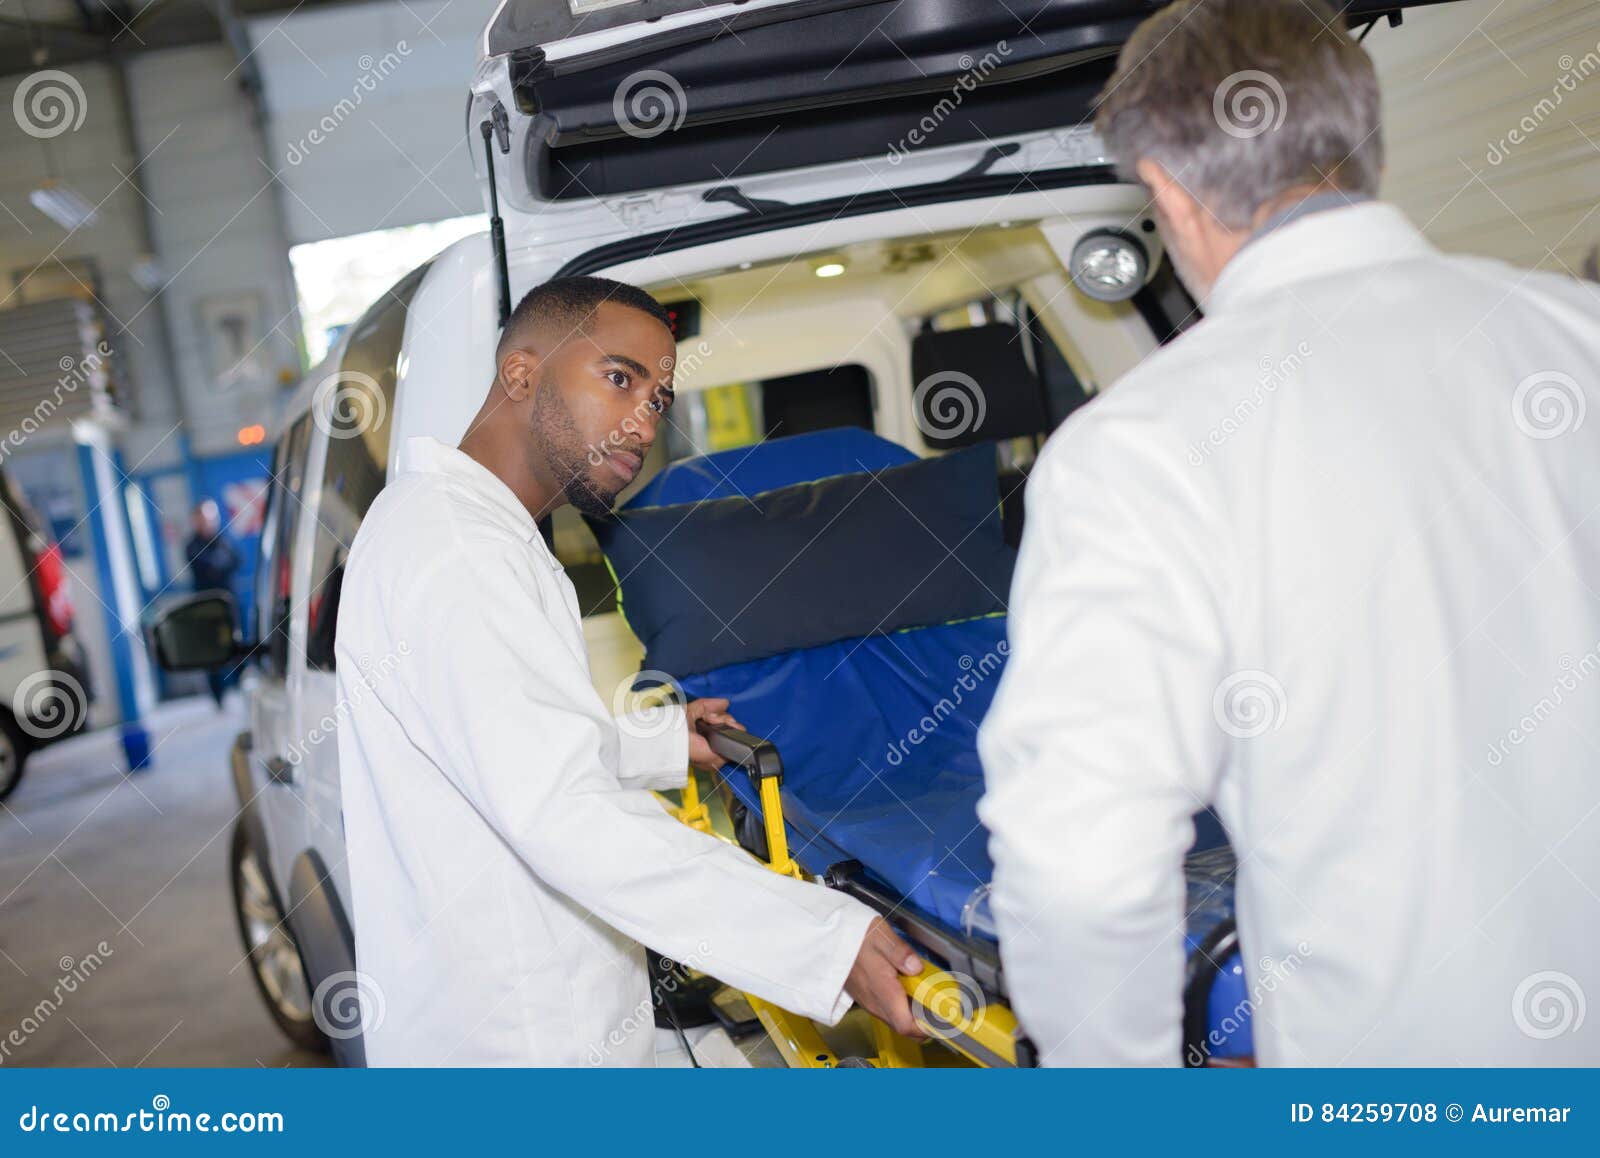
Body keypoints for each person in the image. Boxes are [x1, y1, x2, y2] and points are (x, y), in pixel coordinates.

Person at [978, 0, 1600, 1065]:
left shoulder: (1141, 448)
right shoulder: (1571, 334)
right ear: (1364, 143)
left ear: (1166, 191)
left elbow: (1080, 868)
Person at [335, 276, 924, 1065]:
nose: (644, 420)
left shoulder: (459, 525)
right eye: (620, 378)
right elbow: (565, 814)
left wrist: (653, 744)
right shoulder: (459, 550)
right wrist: (822, 940)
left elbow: (508, 748)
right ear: (521, 374)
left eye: (659, 397)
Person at [185, 499, 239, 707]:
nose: (207, 523)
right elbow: (210, 567)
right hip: (206, 607)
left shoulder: (224, 539)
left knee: (237, 644)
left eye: (211, 518)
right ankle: (219, 696)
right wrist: (219, 563)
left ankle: (240, 684)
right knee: (213, 652)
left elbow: (235, 561)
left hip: (229, 603)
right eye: (202, 519)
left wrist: (220, 563)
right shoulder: (192, 546)